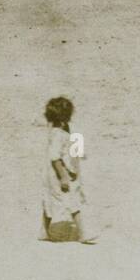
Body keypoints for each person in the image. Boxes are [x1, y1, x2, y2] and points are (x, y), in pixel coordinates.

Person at [39, 96, 95, 243]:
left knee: (49, 199)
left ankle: (43, 231)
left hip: (54, 173)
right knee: (73, 201)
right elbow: (55, 158)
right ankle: (83, 234)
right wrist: (63, 176)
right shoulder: (59, 135)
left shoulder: (59, 131)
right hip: (57, 174)